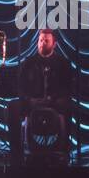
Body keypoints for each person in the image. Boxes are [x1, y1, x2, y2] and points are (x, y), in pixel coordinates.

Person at [12, 29, 72, 160]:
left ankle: (63, 149)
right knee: (13, 107)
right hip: (32, 102)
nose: (42, 43)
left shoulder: (63, 63)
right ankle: (16, 153)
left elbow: (67, 86)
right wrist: (30, 100)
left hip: (55, 101)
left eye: (46, 40)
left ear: (54, 44)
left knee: (68, 104)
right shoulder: (28, 63)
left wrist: (52, 98)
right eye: (40, 40)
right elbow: (21, 86)